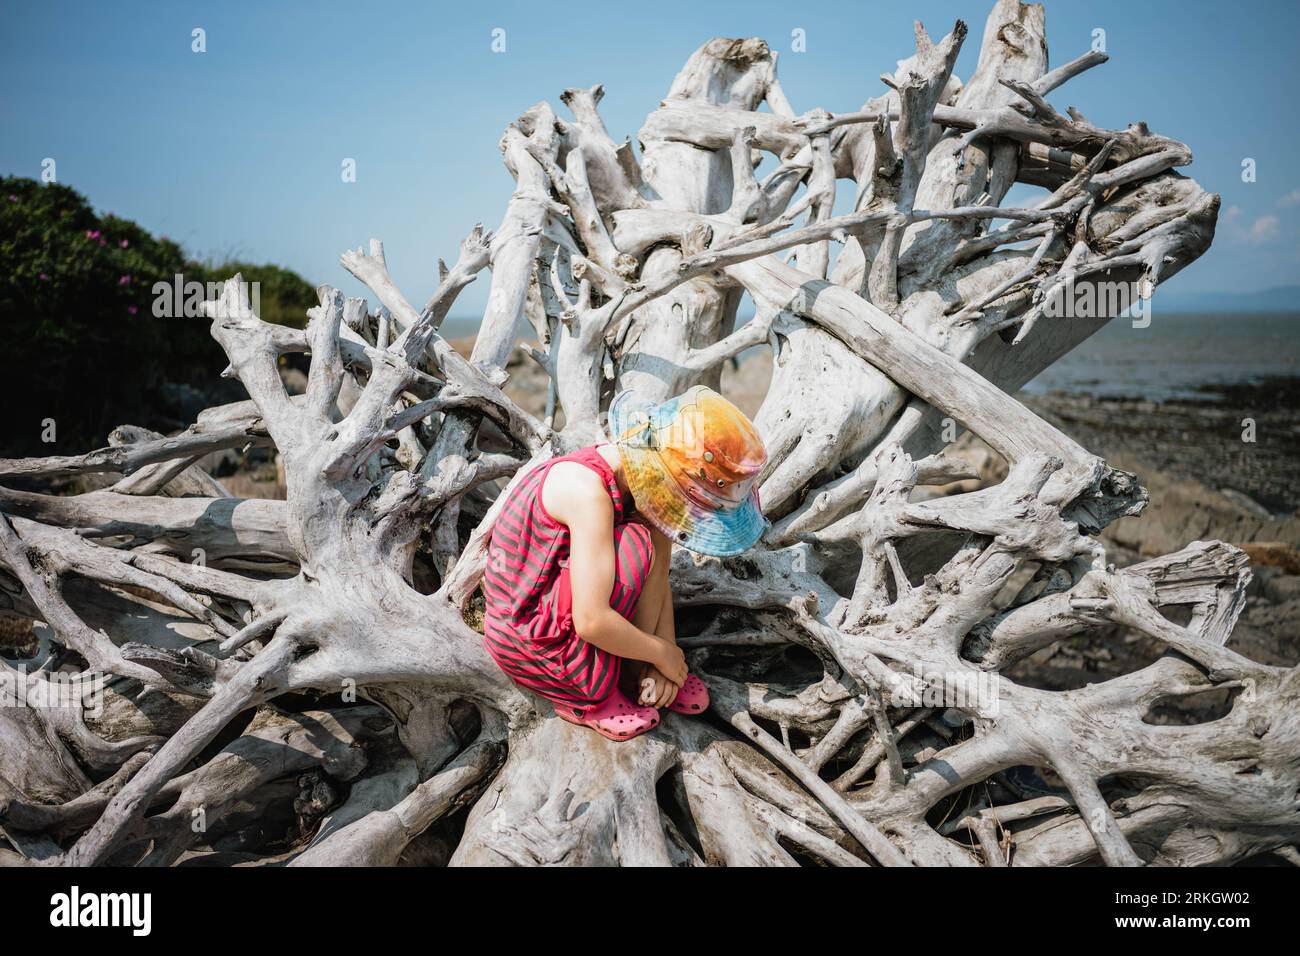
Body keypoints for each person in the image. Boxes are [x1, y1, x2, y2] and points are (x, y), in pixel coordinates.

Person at [482, 385, 768, 741]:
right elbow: (591, 620)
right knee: (636, 545)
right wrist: (662, 652)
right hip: (529, 637)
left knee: (654, 532)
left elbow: (659, 571)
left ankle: (634, 669)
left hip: (564, 604)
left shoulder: (641, 487)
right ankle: (584, 695)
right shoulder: (587, 494)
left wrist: (664, 661)